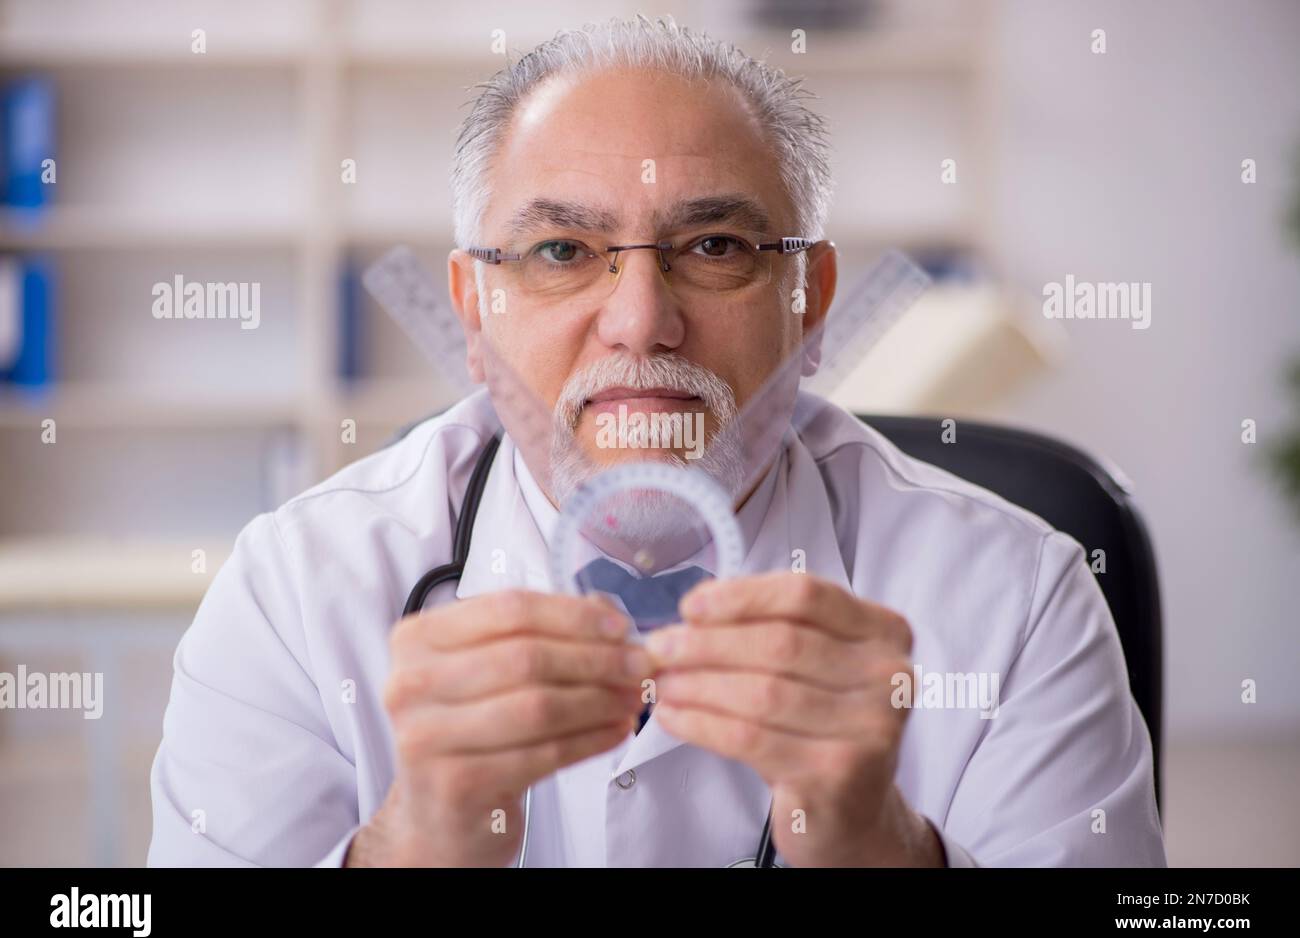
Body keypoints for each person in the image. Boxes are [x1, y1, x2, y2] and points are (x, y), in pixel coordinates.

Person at [148, 16, 1166, 868]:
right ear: (473, 310)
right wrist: (408, 846)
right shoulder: (293, 591)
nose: (639, 319)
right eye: (561, 251)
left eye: (714, 247)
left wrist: (883, 848)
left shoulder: (1018, 597)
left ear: (808, 303)